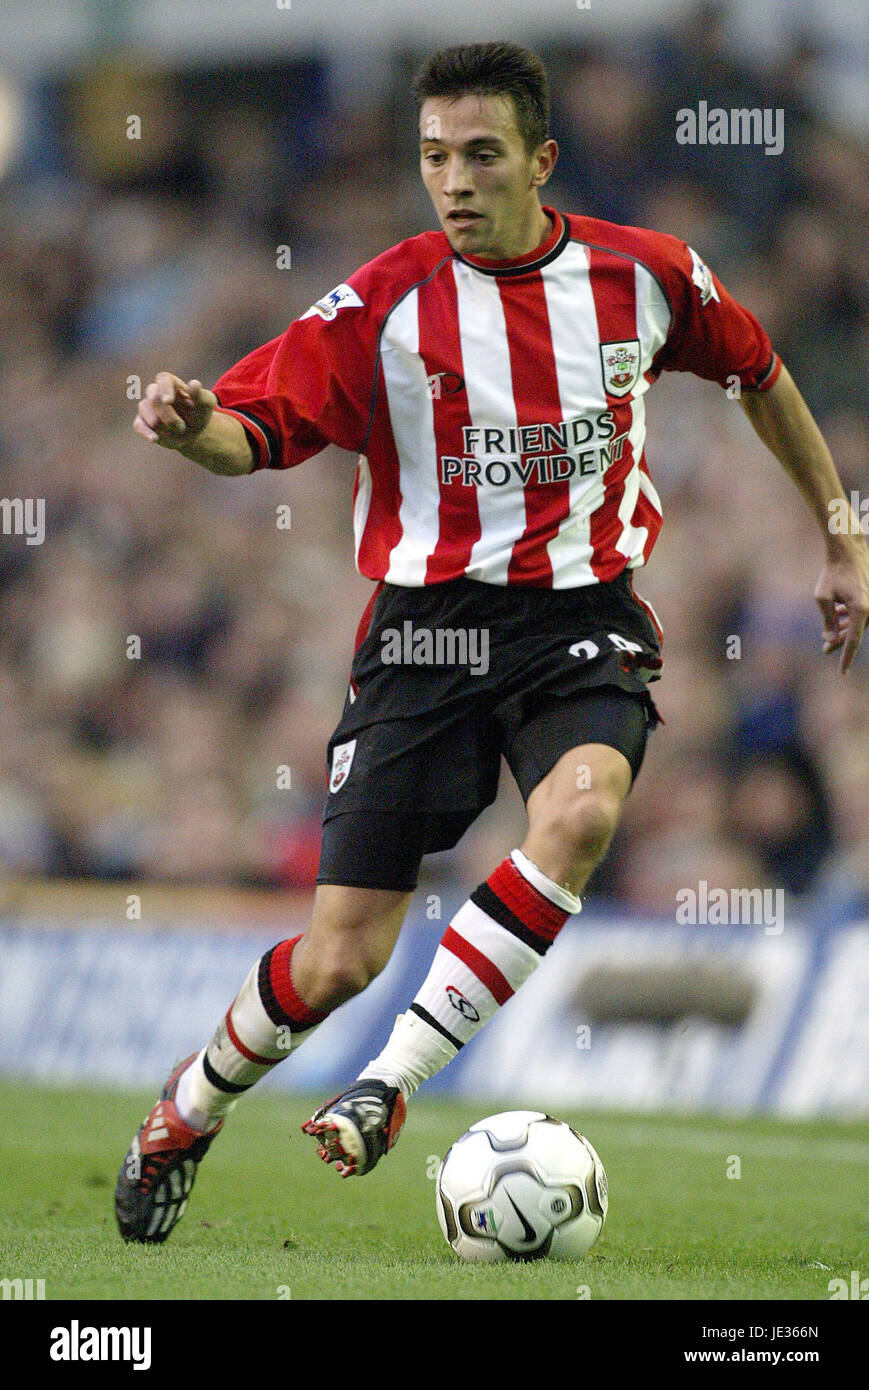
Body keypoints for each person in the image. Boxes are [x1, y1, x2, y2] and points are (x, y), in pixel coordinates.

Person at [115, 41, 869, 1242]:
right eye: (432, 158)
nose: (452, 181)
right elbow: (246, 433)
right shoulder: (382, 303)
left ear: (540, 161)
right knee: (336, 960)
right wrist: (189, 425)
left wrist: (840, 534)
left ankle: (388, 1085)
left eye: (478, 155)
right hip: (421, 640)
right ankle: (186, 1109)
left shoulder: (647, 276)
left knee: (579, 812)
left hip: (583, 617)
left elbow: (761, 374)